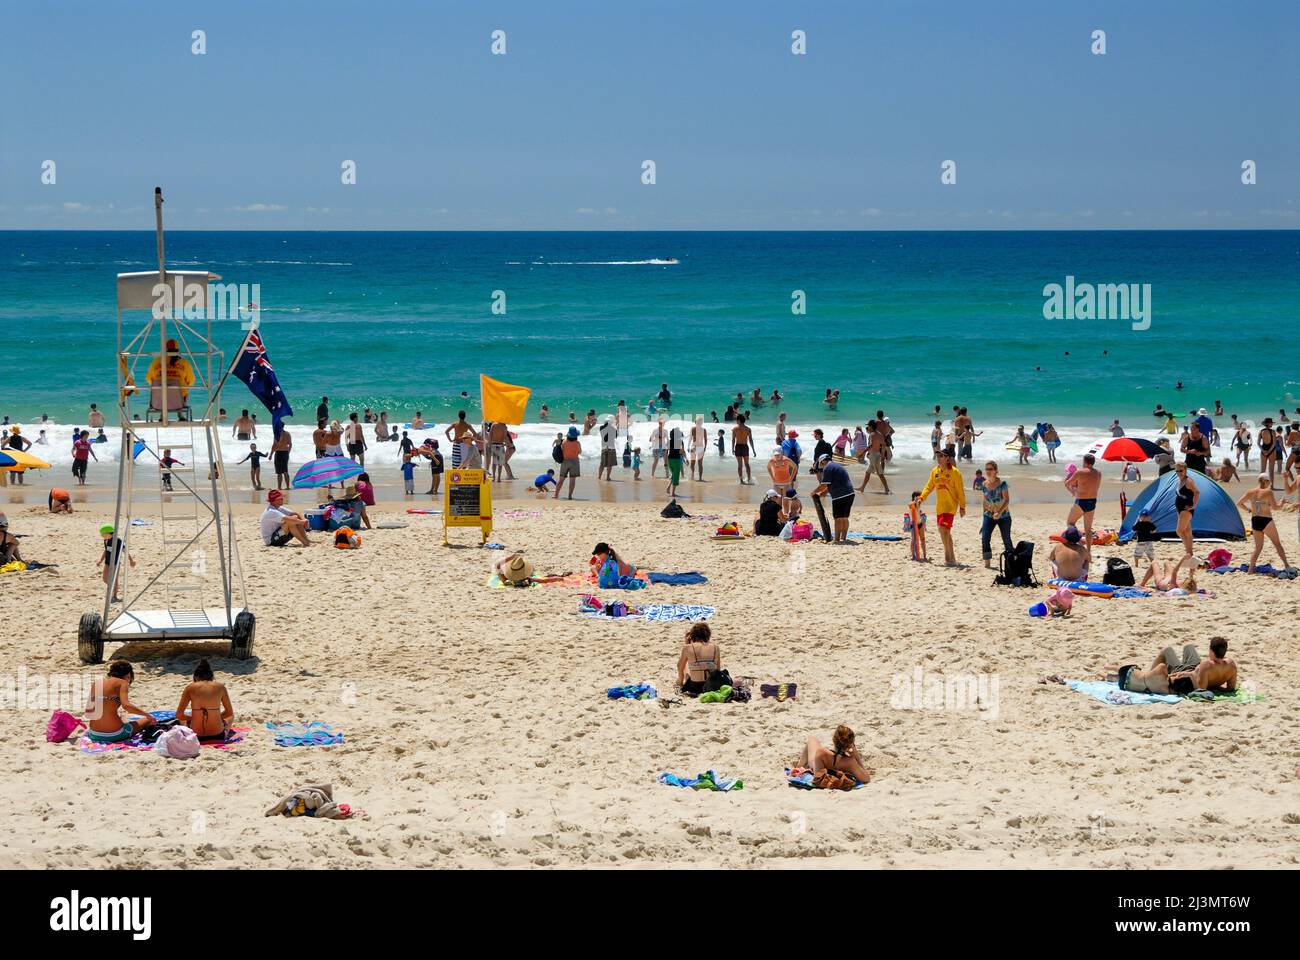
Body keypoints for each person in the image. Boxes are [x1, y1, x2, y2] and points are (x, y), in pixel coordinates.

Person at [1117, 638, 1236, 695]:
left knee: (1167, 650)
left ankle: (1150, 674)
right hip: (1195, 667)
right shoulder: (1231, 665)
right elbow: (1230, 688)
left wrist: (1189, 674)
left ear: (1211, 650)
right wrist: (1219, 687)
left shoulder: (1207, 664)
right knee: (1189, 647)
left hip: (1186, 672)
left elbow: (1201, 687)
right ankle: (1151, 675)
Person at [84, 660, 156, 744]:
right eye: (129, 677)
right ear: (128, 675)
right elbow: (127, 706)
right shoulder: (122, 683)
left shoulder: (97, 682)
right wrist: (147, 714)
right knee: (149, 719)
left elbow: (89, 710)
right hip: (114, 734)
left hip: (94, 733)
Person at [917, 448, 966, 565]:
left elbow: (960, 491)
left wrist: (962, 507)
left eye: (941, 456)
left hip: (950, 506)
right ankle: (951, 557)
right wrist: (921, 498)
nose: (938, 458)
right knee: (943, 531)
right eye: (938, 456)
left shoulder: (955, 472)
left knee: (944, 530)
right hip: (940, 507)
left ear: (947, 458)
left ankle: (948, 558)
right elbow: (929, 487)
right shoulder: (935, 471)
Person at [1237, 474, 1291, 572]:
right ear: (1266, 481)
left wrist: (1249, 510)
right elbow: (1275, 507)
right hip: (1266, 520)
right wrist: (1282, 503)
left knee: (1258, 548)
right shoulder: (1268, 492)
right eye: (1269, 482)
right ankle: (1287, 565)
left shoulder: (1250, 492)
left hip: (1255, 520)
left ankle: (1250, 570)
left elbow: (1239, 503)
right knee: (1277, 544)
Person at [175, 658, 234, 742]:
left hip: (196, 736)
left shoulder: (191, 687)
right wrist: (215, 717)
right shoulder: (220, 687)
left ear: (195, 677)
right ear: (212, 677)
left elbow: (179, 715)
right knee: (231, 718)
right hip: (217, 735)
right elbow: (229, 713)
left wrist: (193, 718)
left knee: (182, 720)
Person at [796, 725, 871, 785]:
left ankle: (799, 766)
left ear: (833, 740)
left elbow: (817, 776)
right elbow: (867, 778)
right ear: (850, 745)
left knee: (812, 739)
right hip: (839, 766)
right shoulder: (850, 762)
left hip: (814, 764)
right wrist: (856, 756)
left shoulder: (821, 752)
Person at [1064, 453, 1101, 560]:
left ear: (1085, 462)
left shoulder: (1080, 472)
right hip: (1092, 502)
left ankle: (1078, 543)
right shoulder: (1098, 473)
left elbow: (1068, 483)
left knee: (1070, 523)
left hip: (1081, 501)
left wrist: (1073, 491)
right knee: (1088, 529)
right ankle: (1088, 552)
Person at [810, 453, 854, 544]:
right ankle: (844, 538)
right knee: (844, 517)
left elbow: (824, 485)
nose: (821, 466)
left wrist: (813, 492)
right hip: (850, 493)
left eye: (821, 464)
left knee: (838, 518)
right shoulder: (837, 466)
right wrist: (822, 494)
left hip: (839, 496)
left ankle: (837, 539)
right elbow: (829, 485)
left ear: (823, 461)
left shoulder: (828, 468)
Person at [979, 461, 1013, 568]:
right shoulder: (984, 484)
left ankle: (1011, 563)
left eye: (990, 469)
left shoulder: (1002, 484)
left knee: (1006, 540)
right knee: (985, 538)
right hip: (988, 515)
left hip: (1004, 516)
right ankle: (987, 565)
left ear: (996, 471)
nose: (988, 471)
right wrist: (983, 518)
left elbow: (1007, 500)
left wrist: (999, 512)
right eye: (986, 469)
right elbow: (984, 501)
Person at [676, 623, 722, 696]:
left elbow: (679, 667)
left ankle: (680, 683)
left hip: (695, 687)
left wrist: (680, 683)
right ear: (708, 635)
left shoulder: (687, 648)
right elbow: (718, 670)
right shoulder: (716, 648)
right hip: (712, 686)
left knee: (686, 667)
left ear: (692, 636)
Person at [145, 338, 195, 402]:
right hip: (178, 401)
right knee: (184, 390)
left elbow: (149, 379)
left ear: (165, 349)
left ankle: (162, 411)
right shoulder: (184, 363)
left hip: (158, 400)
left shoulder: (156, 361)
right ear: (177, 350)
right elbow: (190, 381)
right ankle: (180, 411)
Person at [97, 524, 135, 602]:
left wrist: (131, 560)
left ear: (108, 533)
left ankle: (115, 596)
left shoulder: (118, 541)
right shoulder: (107, 540)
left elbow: (125, 550)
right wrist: (101, 560)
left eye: (102, 534)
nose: (101, 536)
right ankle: (113, 587)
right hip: (107, 563)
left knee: (115, 580)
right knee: (104, 579)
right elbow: (106, 550)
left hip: (115, 564)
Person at [1171, 462, 1199, 561]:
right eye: (1177, 471)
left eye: (1181, 470)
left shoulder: (1188, 481)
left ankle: (1189, 552)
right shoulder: (1180, 480)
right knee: (1187, 532)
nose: (1179, 472)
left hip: (1186, 509)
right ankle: (1190, 554)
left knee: (1179, 531)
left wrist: (1194, 506)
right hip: (1180, 508)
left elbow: (1197, 492)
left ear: (1185, 470)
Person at [856, 421, 890, 494]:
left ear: (871, 426)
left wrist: (862, 452)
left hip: (874, 456)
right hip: (876, 455)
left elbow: (871, 445)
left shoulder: (872, 435)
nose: (868, 427)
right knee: (868, 472)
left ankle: (887, 489)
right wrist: (882, 455)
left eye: (869, 426)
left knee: (880, 473)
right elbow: (883, 445)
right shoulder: (880, 434)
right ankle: (862, 488)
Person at [555, 426, 582, 500]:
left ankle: (556, 494)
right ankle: (569, 496)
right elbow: (580, 452)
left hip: (565, 461)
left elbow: (562, 451)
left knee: (561, 479)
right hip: (575, 462)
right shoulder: (577, 443)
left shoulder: (564, 442)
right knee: (572, 480)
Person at [665, 422, 687, 497]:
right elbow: (682, 451)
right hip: (677, 460)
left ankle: (668, 488)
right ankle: (673, 493)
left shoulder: (669, 441)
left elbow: (666, 452)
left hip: (670, 459)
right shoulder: (680, 441)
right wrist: (686, 459)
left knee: (673, 474)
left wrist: (665, 462)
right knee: (676, 476)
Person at [731, 414, 754, 485]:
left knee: (740, 465)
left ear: (739, 420)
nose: (736, 421)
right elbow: (750, 440)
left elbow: (733, 440)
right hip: (745, 447)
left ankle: (741, 480)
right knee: (747, 464)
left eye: (736, 420)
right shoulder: (748, 429)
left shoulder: (735, 429)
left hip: (738, 447)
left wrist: (732, 449)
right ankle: (749, 479)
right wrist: (753, 449)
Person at [688, 415, 708, 481]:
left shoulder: (693, 429)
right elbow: (705, 439)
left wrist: (688, 446)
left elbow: (690, 438)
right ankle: (700, 478)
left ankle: (692, 477)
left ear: (695, 422)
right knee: (700, 464)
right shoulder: (704, 430)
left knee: (692, 463)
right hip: (701, 447)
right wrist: (705, 447)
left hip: (694, 446)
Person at [598, 417, 618, 482]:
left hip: (604, 448)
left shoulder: (601, 428)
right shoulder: (613, 429)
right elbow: (615, 437)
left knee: (602, 464)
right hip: (611, 448)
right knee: (610, 464)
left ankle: (599, 477)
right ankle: (608, 477)